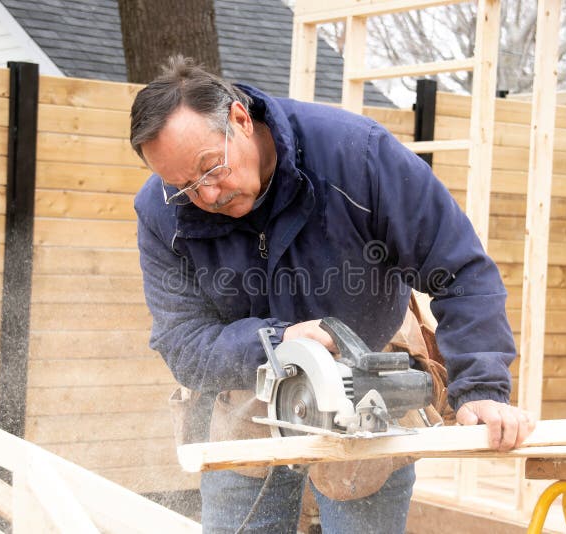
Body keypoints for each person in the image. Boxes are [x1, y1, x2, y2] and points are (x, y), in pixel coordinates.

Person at [130, 55, 534, 533]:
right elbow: (183, 342)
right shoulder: (161, 214)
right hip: (247, 381)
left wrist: (482, 386)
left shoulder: (356, 156)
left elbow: (460, 269)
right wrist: (280, 341)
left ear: (240, 118)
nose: (208, 195)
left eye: (210, 168)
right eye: (185, 187)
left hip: (368, 379)